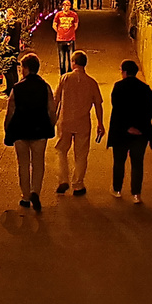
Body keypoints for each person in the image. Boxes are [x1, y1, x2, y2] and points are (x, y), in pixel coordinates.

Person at [4, 53, 55, 211]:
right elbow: (51, 109)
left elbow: (10, 110)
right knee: (38, 163)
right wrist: (50, 125)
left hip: (21, 129)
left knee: (23, 164)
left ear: (25, 69)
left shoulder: (17, 88)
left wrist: (8, 129)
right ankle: (35, 192)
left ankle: (25, 197)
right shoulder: (45, 87)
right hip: (40, 129)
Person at [52, 50, 104, 197]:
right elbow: (98, 104)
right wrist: (100, 123)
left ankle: (63, 179)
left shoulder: (65, 78)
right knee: (81, 154)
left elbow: (56, 99)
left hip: (65, 121)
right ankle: (78, 184)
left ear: (73, 62)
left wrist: (52, 117)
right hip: (83, 123)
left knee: (61, 150)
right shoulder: (91, 82)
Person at [108, 59, 152, 203]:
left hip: (121, 132)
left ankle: (117, 189)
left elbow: (117, 109)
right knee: (137, 163)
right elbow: (150, 110)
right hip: (140, 134)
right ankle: (136, 194)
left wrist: (128, 127)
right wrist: (140, 128)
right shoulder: (145, 88)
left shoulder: (119, 87)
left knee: (119, 162)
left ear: (125, 72)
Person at [52, 0, 79, 75]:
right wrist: (59, 32)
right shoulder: (58, 14)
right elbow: (54, 24)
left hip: (70, 39)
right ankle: (62, 73)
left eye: (67, 5)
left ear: (70, 6)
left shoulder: (74, 15)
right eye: (64, 5)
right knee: (61, 58)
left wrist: (71, 32)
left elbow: (76, 25)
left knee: (71, 58)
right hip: (60, 39)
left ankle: (70, 73)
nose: (65, 7)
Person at [2, 8, 21, 94]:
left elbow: (8, 38)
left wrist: (3, 45)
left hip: (9, 49)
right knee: (14, 69)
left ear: (9, 14)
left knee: (7, 69)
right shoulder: (18, 23)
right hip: (16, 47)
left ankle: (9, 89)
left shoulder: (11, 24)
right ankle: (15, 87)